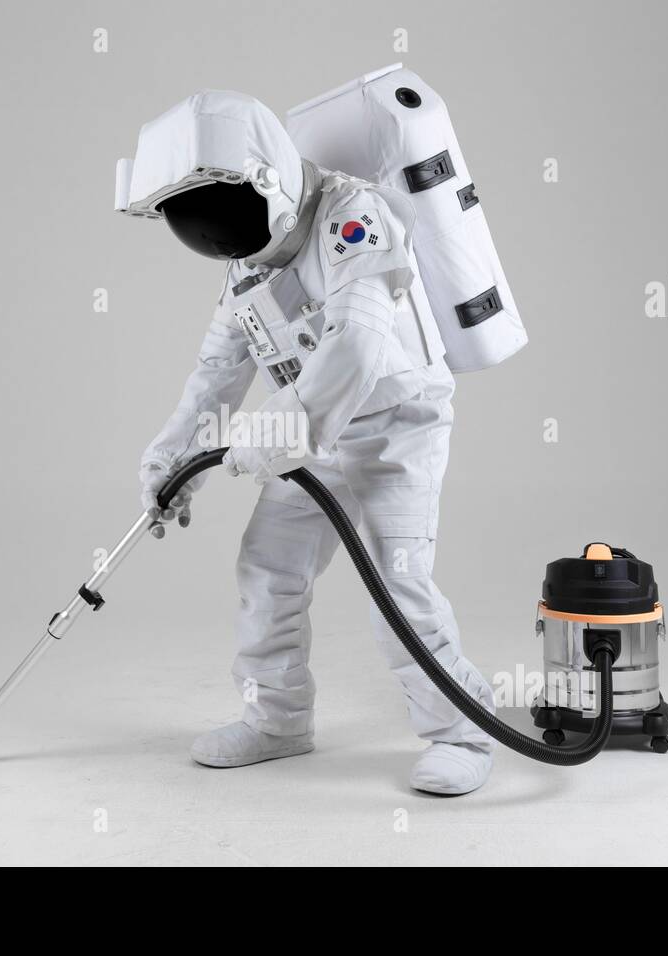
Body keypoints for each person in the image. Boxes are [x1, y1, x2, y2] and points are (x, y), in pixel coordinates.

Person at [117, 91, 496, 795]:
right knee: (268, 571)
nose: (220, 240)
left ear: (269, 181)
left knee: (397, 582)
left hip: (396, 430)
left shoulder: (356, 218)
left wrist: (282, 428)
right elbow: (218, 372)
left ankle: (464, 733)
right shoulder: (250, 263)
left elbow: (356, 345)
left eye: (224, 221)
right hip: (313, 440)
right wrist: (174, 460)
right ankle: (278, 719)